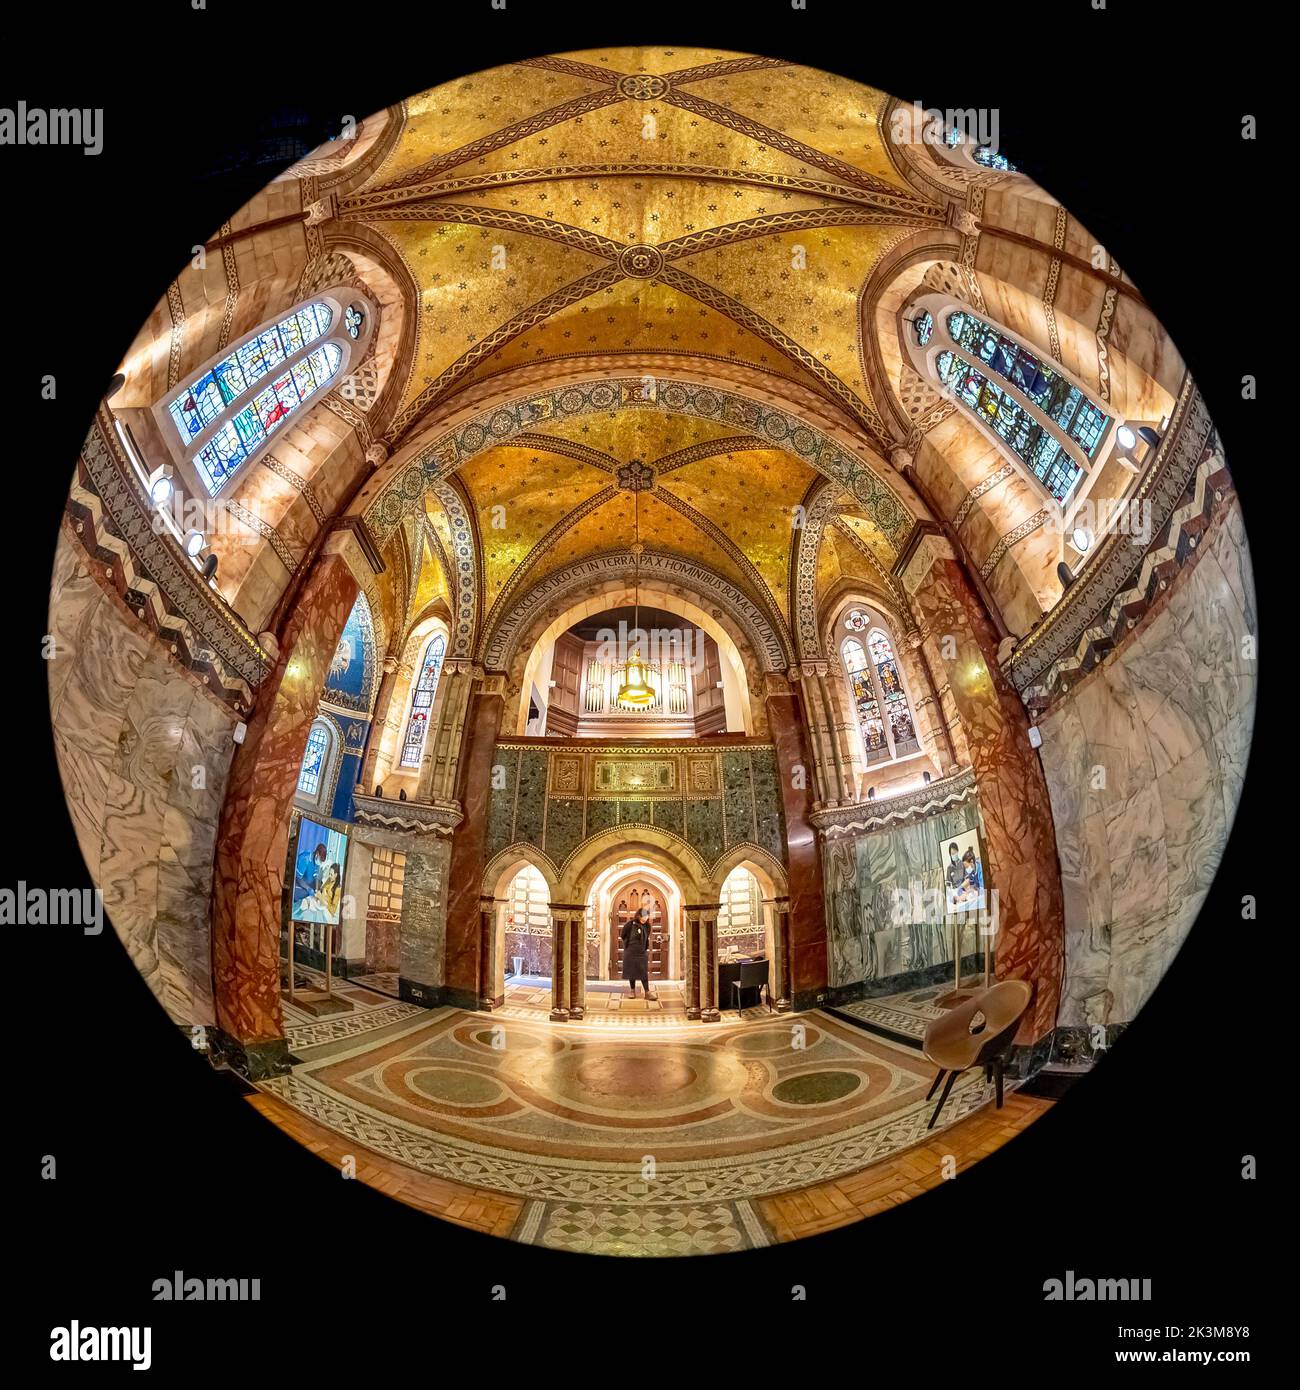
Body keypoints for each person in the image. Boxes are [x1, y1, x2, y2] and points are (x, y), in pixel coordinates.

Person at [621, 905, 656, 1001]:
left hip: (641, 953)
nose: (646, 918)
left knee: (643, 972)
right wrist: (627, 945)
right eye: (644, 916)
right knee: (631, 972)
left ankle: (647, 992)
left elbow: (646, 937)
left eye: (647, 916)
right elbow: (623, 935)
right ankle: (632, 991)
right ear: (639, 916)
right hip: (630, 952)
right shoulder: (630, 924)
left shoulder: (647, 926)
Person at [294, 841, 327, 909]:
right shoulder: (305, 859)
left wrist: (317, 889)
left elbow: (316, 877)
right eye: (320, 860)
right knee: (304, 894)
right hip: (298, 883)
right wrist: (308, 888)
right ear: (317, 853)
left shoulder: (316, 862)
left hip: (307, 882)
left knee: (320, 885)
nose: (320, 863)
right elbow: (298, 878)